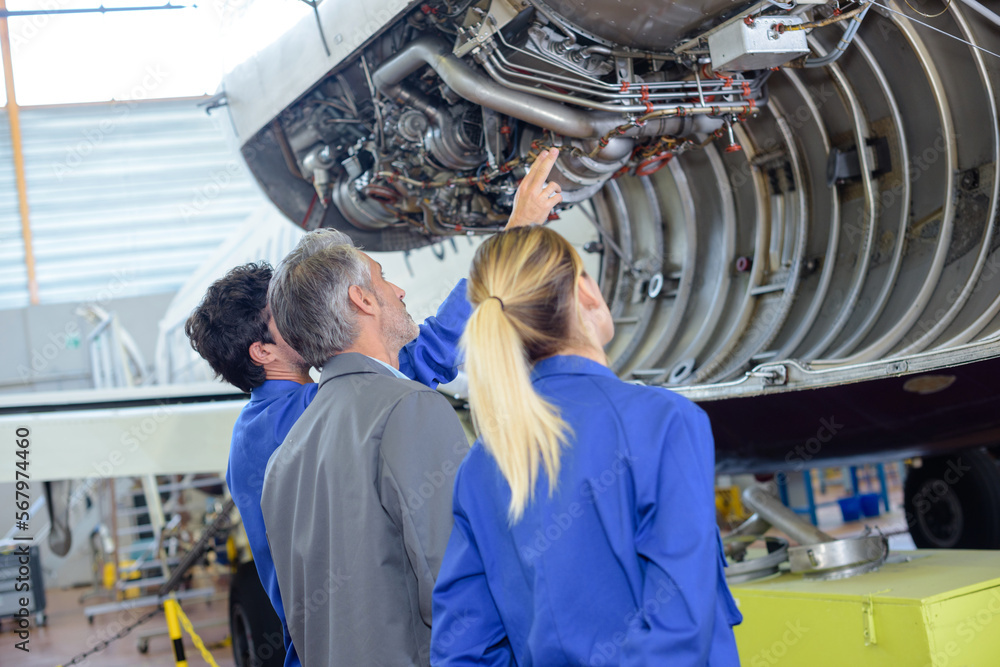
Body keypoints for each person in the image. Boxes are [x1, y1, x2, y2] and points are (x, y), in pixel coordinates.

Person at [185, 148, 564, 667]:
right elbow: (424, 359)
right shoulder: (304, 415)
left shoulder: (261, 426)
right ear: (264, 352)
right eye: (285, 313)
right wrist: (515, 234)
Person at [430, 226, 743, 666]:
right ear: (586, 292)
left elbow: (462, 650)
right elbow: (680, 628)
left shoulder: (482, 464)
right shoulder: (664, 421)